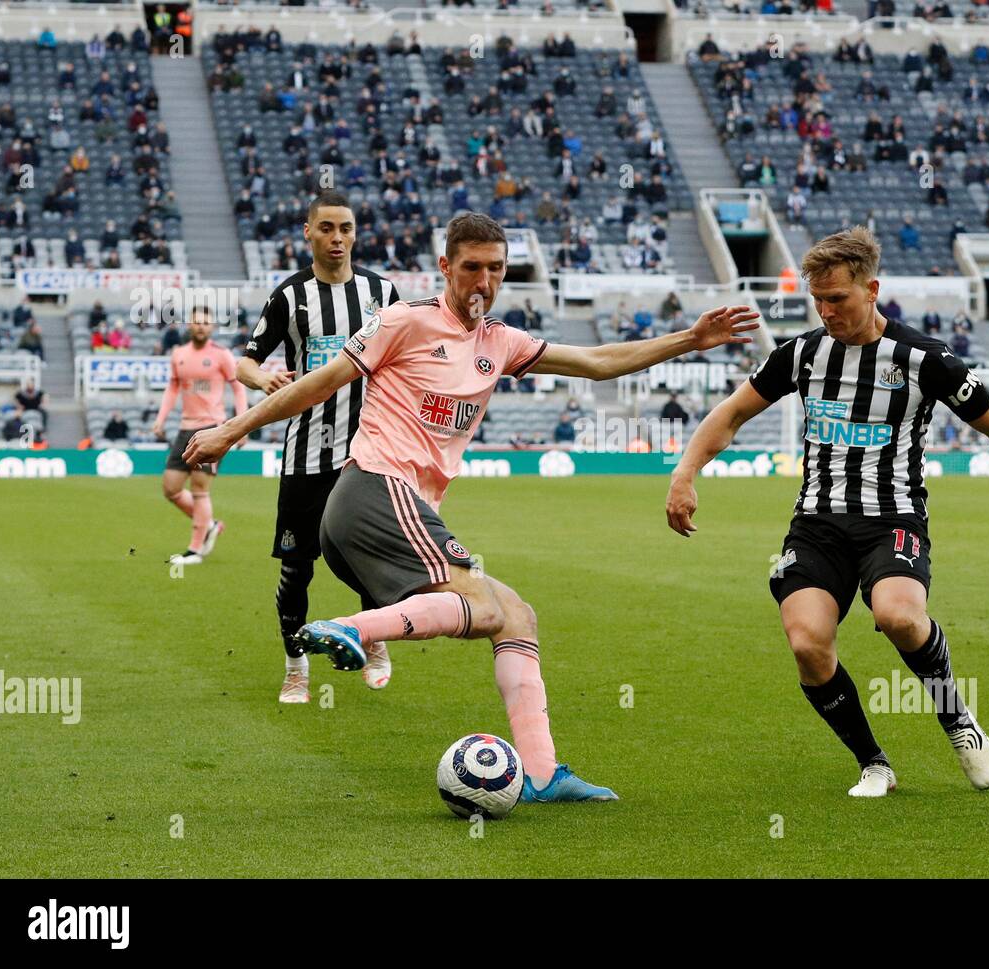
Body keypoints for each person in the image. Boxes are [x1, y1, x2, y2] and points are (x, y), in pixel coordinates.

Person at [184, 212, 759, 803]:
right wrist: (231, 430)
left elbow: (597, 361)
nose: (484, 280)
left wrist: (691, 339)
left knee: (516, 616)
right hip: (374, 490)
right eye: (472, 267)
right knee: (480, 606)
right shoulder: (403, 322)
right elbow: (318, 384)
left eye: (497, 269)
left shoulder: (499, 342)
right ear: (445, 268)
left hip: (401, 507)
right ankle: (347, 628)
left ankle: (541, 775)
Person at [666, 226, 989, 799]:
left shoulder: (924, 359)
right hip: (817, 523)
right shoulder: (802, 354)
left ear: (871, 289)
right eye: (818, 300)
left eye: (839, 299)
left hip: (894, 517)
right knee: (807, 643)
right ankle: (873, 762)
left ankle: (956, 717)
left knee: (900, 618)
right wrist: (685, 475)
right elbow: (730, 414)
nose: (827, 311)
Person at [237, 191, 402, 702]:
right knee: (296, 565)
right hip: (306, 450)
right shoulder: (290, 296)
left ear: (356, 233)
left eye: (346, 229)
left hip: (367, 451)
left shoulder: (383, 292)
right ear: (308, 232)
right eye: (326, 228)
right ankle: (295, 666)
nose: (337, 238)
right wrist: (262, 378)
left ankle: (373, 640)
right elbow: (245, 359)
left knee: (367, 559)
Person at [152, 304, 247, 566]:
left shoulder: (222, 355)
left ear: (212, 327)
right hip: (184, 427)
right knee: (170, 488)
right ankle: (210, 524)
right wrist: (160, 420)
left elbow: (238, 389)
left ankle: (195, 550)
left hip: (212, 428)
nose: (201, 326)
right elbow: (172, 389)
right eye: (197, 322)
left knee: (199, 490)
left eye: (206, 322)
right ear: (189, 325)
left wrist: (241, 424)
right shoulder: (179, 354)